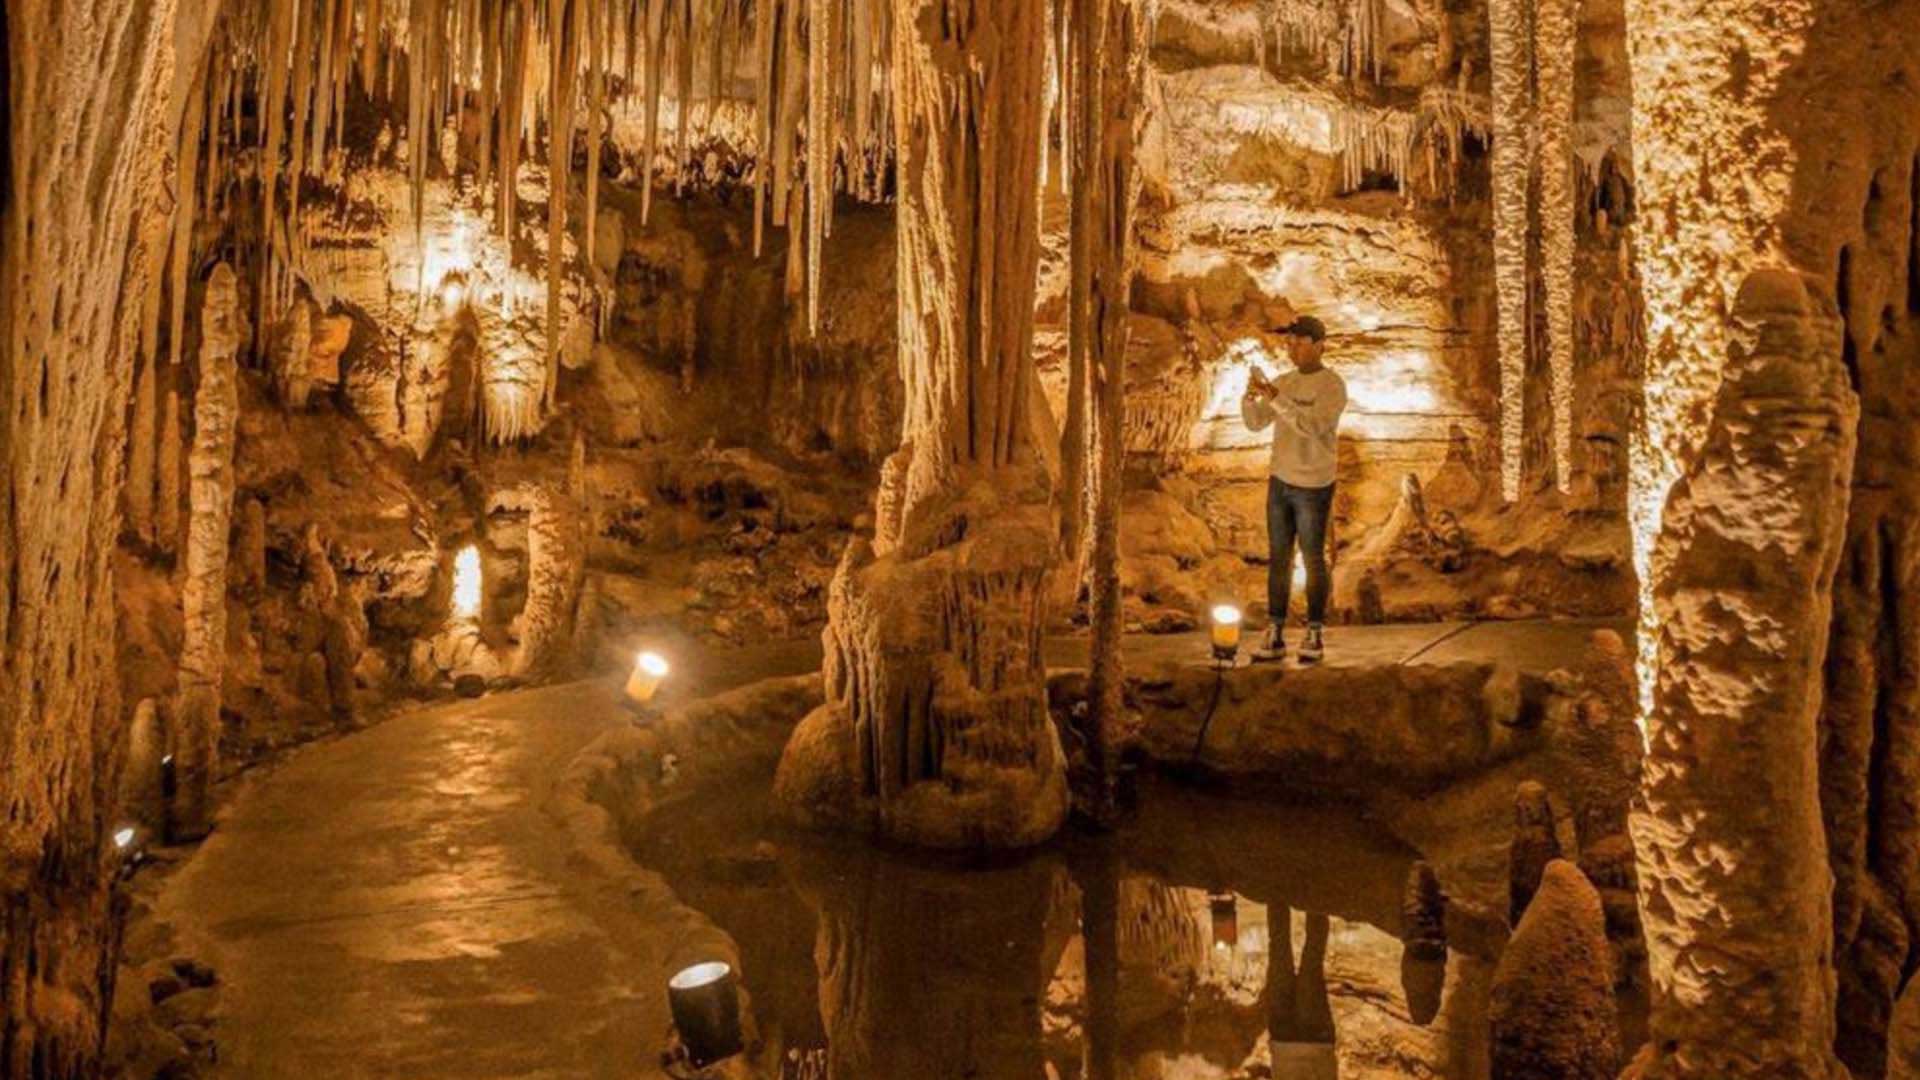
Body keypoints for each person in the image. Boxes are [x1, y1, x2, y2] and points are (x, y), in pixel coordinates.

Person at [1241, 315, 1346, 663]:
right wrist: (1251, 397)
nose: (1292, 348)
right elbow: (1256, 424)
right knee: (1279, 558)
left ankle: (1314, 631)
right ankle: (1275, 631)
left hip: (1314, 484)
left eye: (1300, 342)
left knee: (1313, 558)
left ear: (1319, 345)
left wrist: (1275, 396)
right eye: (1290, 342)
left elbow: (1312, 427)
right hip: (1281, 480)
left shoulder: (1332, 386)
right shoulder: (1284, 382)